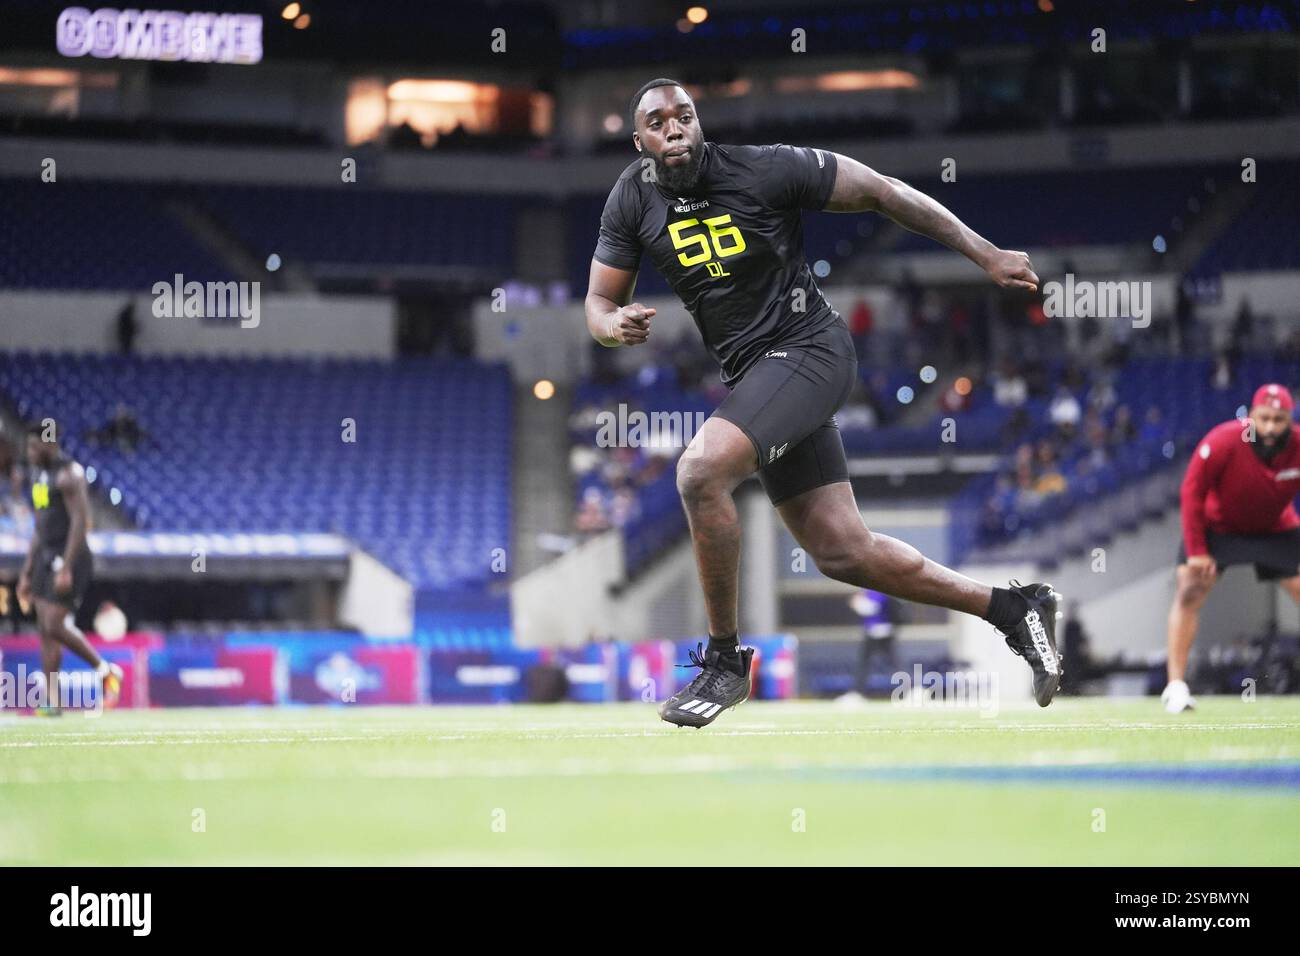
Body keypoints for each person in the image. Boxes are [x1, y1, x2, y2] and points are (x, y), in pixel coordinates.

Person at [584, 78, 1063, 728]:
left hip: (811, 350)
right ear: (639, 138)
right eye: (658, 121)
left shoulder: (763, 169)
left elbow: (882, 190)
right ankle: (1015, 610)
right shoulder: (630, 198)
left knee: (699, 471)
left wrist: (984, 253)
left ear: (700, 123)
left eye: (685, 115)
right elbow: (598, 304)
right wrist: (612, 327)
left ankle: (725, 659)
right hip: (759, 378)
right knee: (841, 552)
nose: (675, 128)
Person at [1163, 384, 1300, 713]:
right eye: (1264, 418)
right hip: (1218, 527)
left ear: (1289, 420)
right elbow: (1192, 492)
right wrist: (1197, 551)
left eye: (1279, 420)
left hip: (1274, 528)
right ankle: (1176, 687)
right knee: (1190, 591)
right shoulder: (1223, 440)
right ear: (1252, 416)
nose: (1270, 427)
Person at [16, 421, 121, 714]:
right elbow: (40, 524)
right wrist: (27, 570)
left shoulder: (69, 475)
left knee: (54, 623)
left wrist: (67, 567)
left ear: (51, 444)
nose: (30, 451)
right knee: (44, 630)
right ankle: (53, 701)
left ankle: (106, 670)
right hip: (45, 556)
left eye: (36, 446)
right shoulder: (37, 475)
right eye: (28, 445)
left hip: (70, 558)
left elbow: (80, 522)